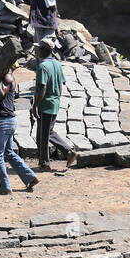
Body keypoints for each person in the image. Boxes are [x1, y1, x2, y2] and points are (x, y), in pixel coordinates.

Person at [0, 65, 39, 195]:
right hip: (10, 121)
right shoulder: (7, 79)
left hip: (4, 122)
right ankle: (30, 177)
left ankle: (5, 186)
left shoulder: (7, 79)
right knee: (8, 152)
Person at [32, 39, 77, 170]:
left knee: (46, 134)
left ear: (45, 50)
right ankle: (43, 161)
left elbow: (42, 88)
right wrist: (57, 98)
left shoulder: (42, 66)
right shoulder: (57, 64)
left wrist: (35, 106)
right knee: (42, 133)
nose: (37, 50)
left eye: (39, 48)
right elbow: (61, 84)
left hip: (45, 105)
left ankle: (68, 152)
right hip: (54, 103)